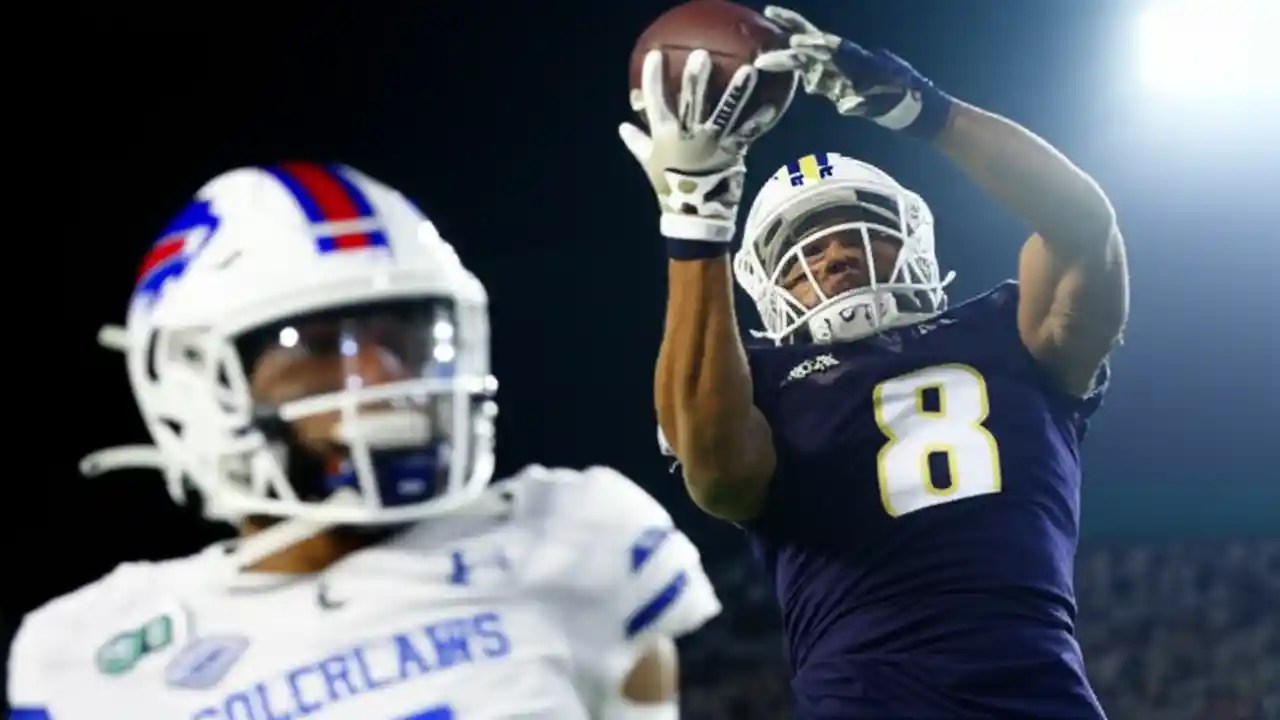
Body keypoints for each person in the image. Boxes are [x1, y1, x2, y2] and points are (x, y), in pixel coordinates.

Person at [9, 162, 719, 719]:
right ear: (198, 384)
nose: (387, 377)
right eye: (321, 346)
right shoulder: (87, 656)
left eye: (402, 339)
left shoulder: (571, 536)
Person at [621, 6, 1128, 718]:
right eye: (803, 253)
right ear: (766, 290)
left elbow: (1085, 228)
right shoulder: (756, 378)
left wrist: (928, 111)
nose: (834, 254)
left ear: (913, 242)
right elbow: (718, 476)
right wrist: (696, 222)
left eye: (861, 230)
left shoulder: (1007, 331)